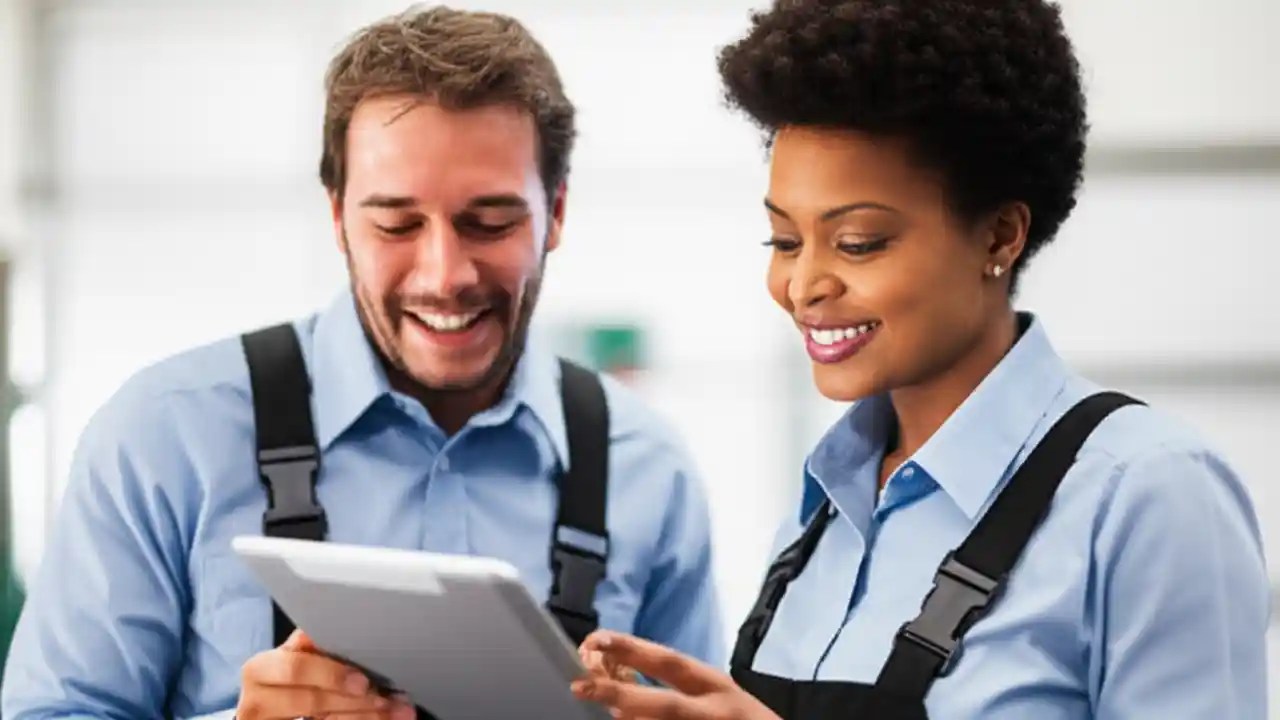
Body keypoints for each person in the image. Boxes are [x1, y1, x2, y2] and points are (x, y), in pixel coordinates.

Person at [0, 6, 723, 719]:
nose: (445, 275)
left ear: (556, 211)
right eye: (396, 224)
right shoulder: (163, 437)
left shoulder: (646, 470)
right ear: (337, 214)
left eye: (491, 222)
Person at [570, 1, 1269, 718]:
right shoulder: (825, 512)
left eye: (859, 242)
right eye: (782, 241)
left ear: (999, 236)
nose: (805, 285)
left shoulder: (1147, 496)